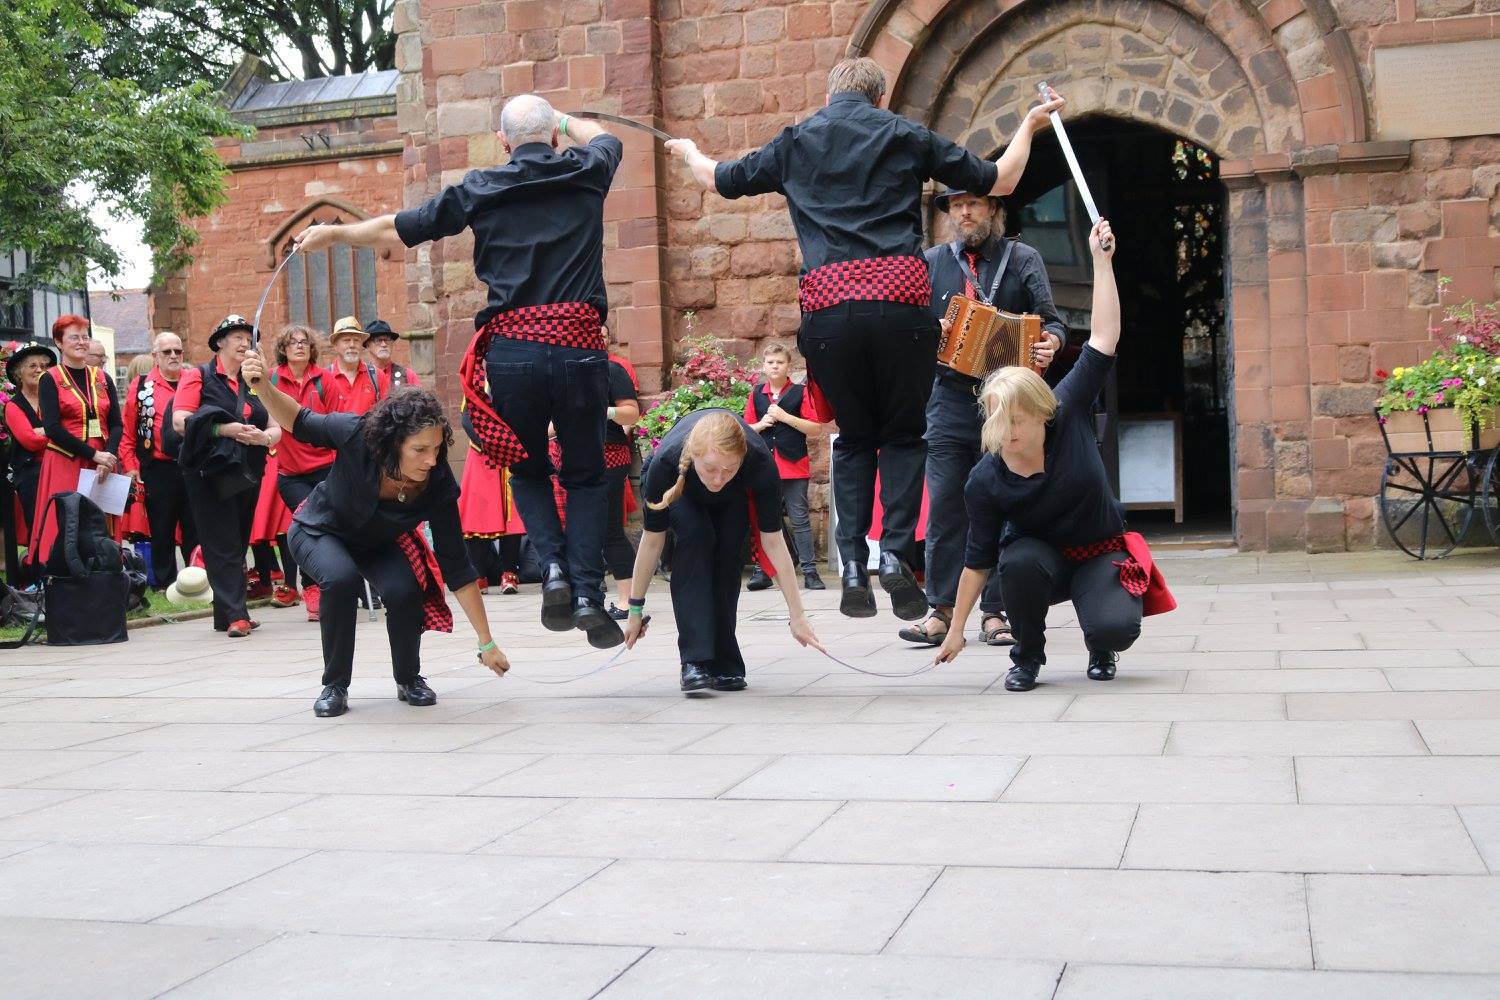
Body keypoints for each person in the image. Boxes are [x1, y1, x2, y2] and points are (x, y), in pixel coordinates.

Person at [666, 59, 1062, 623]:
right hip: (902, 309)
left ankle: (852, 564)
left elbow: (719, 178)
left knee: (852, 438)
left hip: (830, 314)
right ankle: (895, 554)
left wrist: (687, 153)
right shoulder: (903, 134)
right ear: (878, 99)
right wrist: (1028, 123)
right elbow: (1000, 178)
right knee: (903, 435)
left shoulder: (795, 141)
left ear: (831, 96)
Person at [294, 94, 625, 647]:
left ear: (503, 142)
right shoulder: (588, 168)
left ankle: (558, 573)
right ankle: (589, 591)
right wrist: (566, 121)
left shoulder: (481, 187)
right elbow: (603, 137)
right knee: (586, 475)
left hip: (513, 352)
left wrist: (335, 235)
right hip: (578, 347)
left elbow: (397, 228)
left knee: (526, 468)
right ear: (552, 137)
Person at [242, 349, 511, 717]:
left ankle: (409, 678)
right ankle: (335, 684)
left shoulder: (438, 481)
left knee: (404, 590)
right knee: (340, 578)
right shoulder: (357, 435)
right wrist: (262, 388)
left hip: (375, 542)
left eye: (436, 449)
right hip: (318, 531)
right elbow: (300, 421)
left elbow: (457, 565)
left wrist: (487, 641)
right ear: (392, 443)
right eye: (419, 450)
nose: (431, 460)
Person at [936, 220, 1146, 689]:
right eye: (997, 421)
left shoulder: (1067, 410)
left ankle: (1101, 644)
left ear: (1039, 413)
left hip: (1098, 550)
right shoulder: (986, 479)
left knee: (1116, 625)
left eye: (1016, 420)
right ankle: (1027, 656)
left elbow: (1105, 337)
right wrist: (955, 630)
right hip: (1039, 560)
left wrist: (1101, 261)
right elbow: (977, 560)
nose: (1006, 432)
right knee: (1017, 562)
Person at [900, 187, 1066, 650]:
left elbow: (1052, 322)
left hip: (1006, 402)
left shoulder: (1022, 257)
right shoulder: (932, 262)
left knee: (1003, 501)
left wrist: (1050, 341)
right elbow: (909, 325)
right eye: (956, 206)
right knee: (948, 502)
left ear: (994, 209)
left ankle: (996, 611)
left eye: (973, 204)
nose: (964, 213)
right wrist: (926, 333)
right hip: (948, 397)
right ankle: (942, 608)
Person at [623, 409, 824, 692]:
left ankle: (725, 662)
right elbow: (652, 541)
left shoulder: (760, 463)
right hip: (681, 492)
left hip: (732, 499)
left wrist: (797, 615)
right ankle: (694, 660)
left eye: (729, 469)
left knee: (729, 552)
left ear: (742, 459)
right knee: (697, 535)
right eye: (711, 469)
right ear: (694, 456)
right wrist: (634, 610)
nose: (718, 478)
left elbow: (774, 542)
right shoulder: (666, 463)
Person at [173, 315, 280, 638]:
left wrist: (264, 438)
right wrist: (225, 429)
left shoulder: (258, 381)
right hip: (209, 471)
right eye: (237, 336)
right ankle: (237, 614)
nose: (245, 342)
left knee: (237, 540)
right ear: (219, 342)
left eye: (249, 337)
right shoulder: (199, 376)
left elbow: (277, 427)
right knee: (220, 541)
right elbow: (180, 421)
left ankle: (227, 613)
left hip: (248, 470)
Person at [27, 315, 123, 564]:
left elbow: (115, 423)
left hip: (102, 462)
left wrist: (108, 457)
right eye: (74, 337)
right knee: (67, 522)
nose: (81, 342)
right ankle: (63, 577)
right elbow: (52, 428)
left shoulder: (103, 378)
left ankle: (104, 574)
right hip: (66, 461)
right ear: (59, 342)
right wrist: (93, 454)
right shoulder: (50, 378)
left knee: (102, 522)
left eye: (85, 336)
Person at [260, 324, 336, 618]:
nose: (299, 346)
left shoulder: (324, 379)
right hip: (292, 473)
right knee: (308, 523)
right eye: (293, 343)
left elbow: (333, 421)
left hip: (326, 467)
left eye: (304, 342)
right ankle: (311, 586)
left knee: (327, 526)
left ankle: (330, 582)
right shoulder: (272, 379)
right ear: (284, 349)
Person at [744, 343, 828, 593]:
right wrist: (762, 423)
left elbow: (815, 428)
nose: (775, 366)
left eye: (779, 362)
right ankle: (763, 570)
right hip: (763, 466)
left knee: (800, 518)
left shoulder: (800, 392)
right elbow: (745, 429)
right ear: (764, 365)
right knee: (764, 519)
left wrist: (784, 416)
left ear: (788, 365)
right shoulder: (756, 393)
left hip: (793, 464)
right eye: (770, 362)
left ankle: (810, 571)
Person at [119, 332, 198, 590]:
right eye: (167, 352)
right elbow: (127, 433)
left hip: (194, 465)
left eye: (178, 351)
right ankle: (165, 584)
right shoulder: (141, 386)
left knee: (195, 527)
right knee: (162, 530)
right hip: (159, 468)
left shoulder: (194, 380)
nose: (174, 356)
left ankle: (198, 579)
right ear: (155, 356)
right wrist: (131, 466)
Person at [4, 343, 56, 568]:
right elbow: (30, 442)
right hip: (31, 475)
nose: (39, 370)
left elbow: (73, 431)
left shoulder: (54, 400)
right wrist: (55, 434)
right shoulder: (14, 406)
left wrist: (46, 431)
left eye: (44, 366)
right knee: (38, 526)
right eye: (32, 366)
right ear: (19, 374)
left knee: (61, 525)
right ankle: (38, 576)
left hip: (58, 469)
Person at [325, 316, 382, 415]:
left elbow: (386, 415)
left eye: (356, 340)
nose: (352, 345)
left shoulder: (376, 376)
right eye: (346, 340)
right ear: (335, 346)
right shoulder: (324, 378)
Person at [364, 319, 421, 394]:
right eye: (378, 340)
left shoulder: (408, 375)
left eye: (387, 340)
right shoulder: (361, 376)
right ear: (368, 345)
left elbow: (419, 403)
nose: (384, 344)